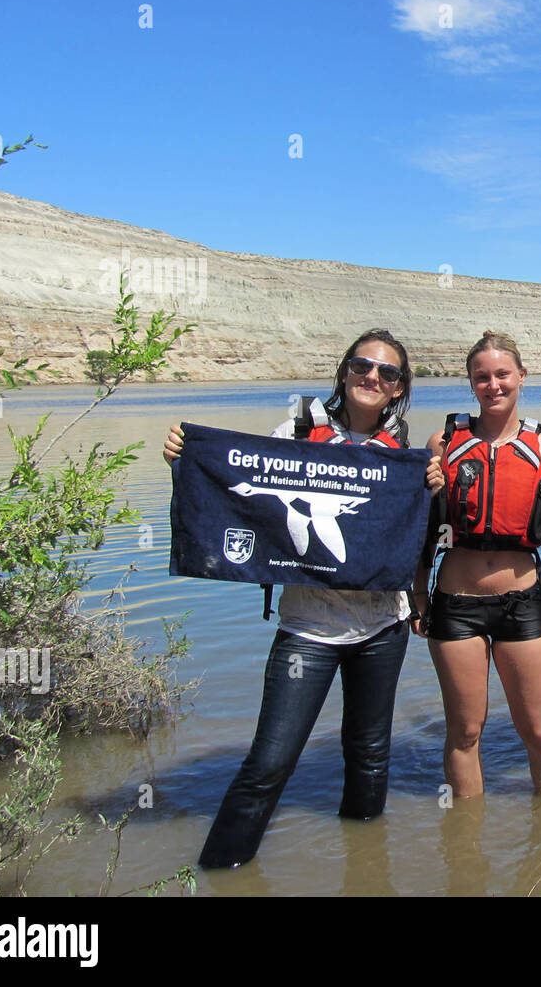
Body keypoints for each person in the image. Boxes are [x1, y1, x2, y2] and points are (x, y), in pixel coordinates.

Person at [163, 329, 419, 869]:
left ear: (398, 388)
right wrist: (186, 462)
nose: (372, 377)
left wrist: (432, 489)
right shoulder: (297, 432)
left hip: (383, 629)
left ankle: (366, 867)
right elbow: (239, 483)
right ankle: (221, 868)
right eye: (362, 366)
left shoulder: (403, 456)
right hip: (309, 628)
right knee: (271, 759)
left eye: (387, 372)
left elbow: (413, 532)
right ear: (345, 372)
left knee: (370, 755)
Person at [413, 331, 541, 798]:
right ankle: (467, 854)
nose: (494, 385)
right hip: (455, 604)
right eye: (482, 377)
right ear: (471, 383)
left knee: (540, 732)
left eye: (502, 374)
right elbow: (425, 530)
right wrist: (418, 595)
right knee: (465, 733)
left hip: (522, 601)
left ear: (521, 377)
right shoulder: (443, 443)